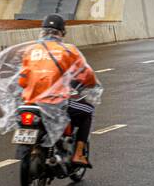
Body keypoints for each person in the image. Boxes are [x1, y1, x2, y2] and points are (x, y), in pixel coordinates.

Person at [16, 13, 100, 166]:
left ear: (42, 30)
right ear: (62, 32)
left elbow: (22, 81)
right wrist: (91, 84)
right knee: (87, 111)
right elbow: (86, 74)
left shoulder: (30, 50)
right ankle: (79, 154)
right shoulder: (68, 50)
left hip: (30, 103)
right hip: (55, 103)